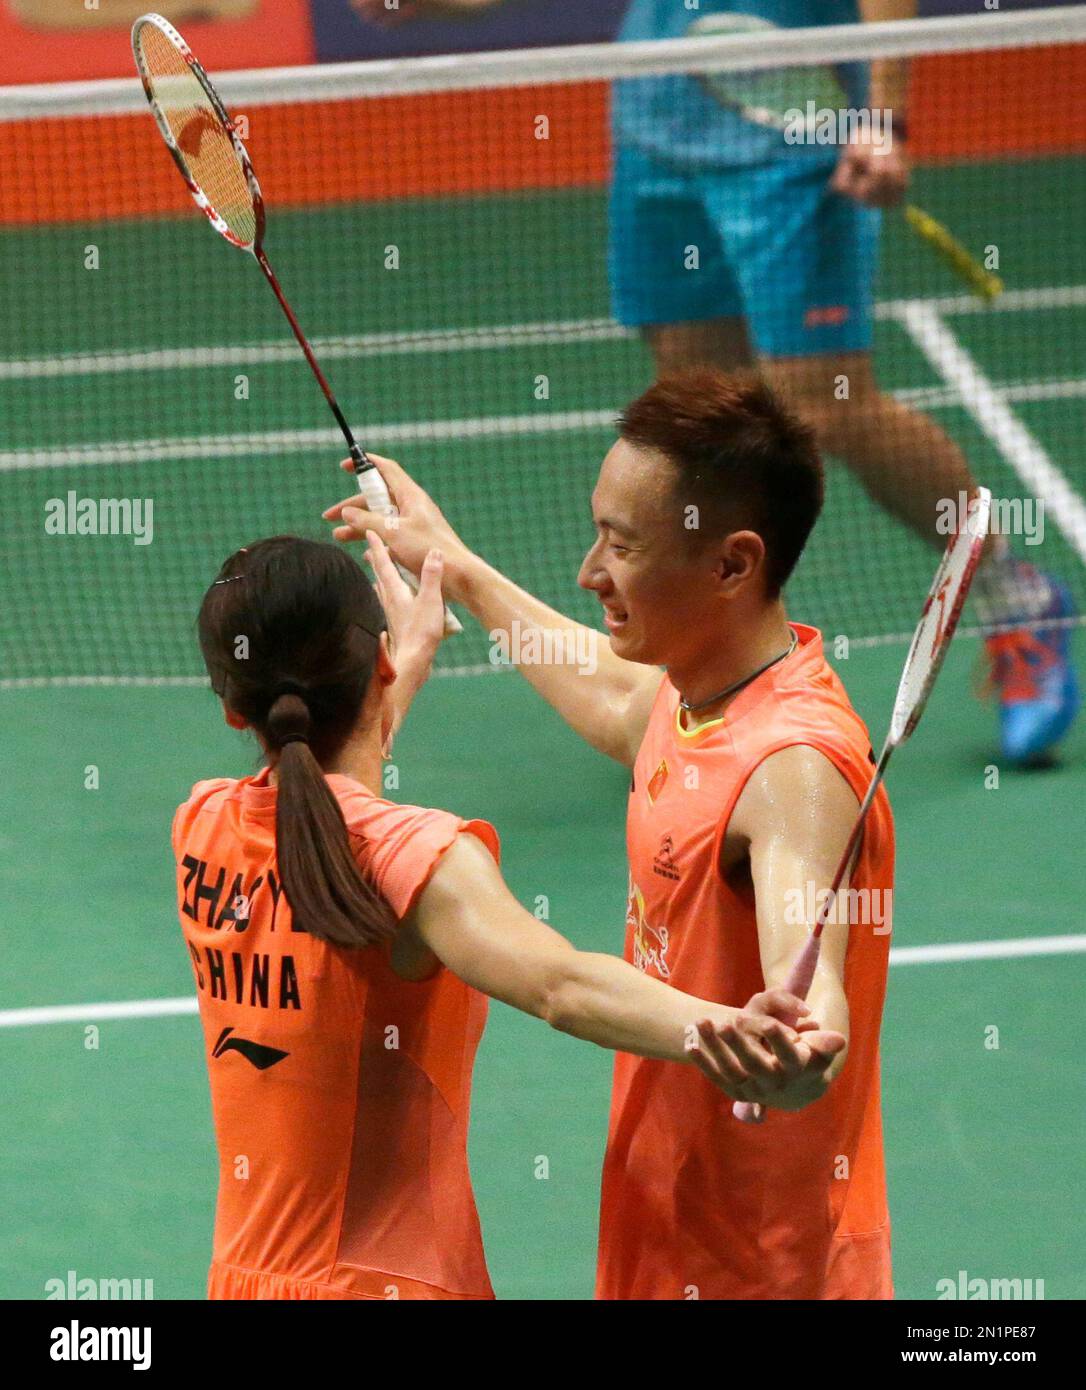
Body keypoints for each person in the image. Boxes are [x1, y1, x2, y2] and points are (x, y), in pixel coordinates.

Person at [352, 0, 1079, 764]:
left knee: (827, 406)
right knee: (695, 417)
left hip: (794, 141)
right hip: (660, 124)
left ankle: (1011, 589)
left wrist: (883, 116)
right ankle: (716, 674)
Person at [326, 367, 896, 1299]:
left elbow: (814, 983)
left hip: (762, 1262)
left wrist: (799, 1055)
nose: (590, 573)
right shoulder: (698, 689)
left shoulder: (793, 769)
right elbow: (611, 694)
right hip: (663, 1219)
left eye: (622, 546)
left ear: (732, 565)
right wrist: (453, 566)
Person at [173, 531, 841, 1301]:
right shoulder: (422, 864)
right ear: (376, 663)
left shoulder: (200, 828)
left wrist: (403, 661)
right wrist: (729, 1032)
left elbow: (317, 787)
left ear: (235, 712)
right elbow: (561, 986)